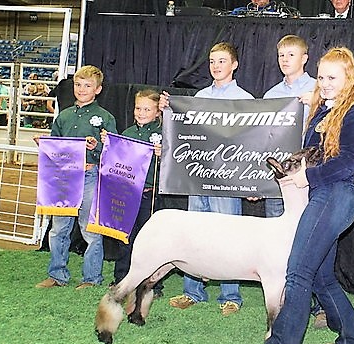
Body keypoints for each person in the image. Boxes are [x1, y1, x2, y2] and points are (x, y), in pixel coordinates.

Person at [233, 46, 354, 344]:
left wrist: (307, 177)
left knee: (297, 273)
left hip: (336, 197)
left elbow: (352, 162)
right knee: (321, 279)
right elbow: (315, 154)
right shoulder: (323, 112)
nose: (324, 83)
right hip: (323, 197)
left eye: (332, 77)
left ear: (349, 78)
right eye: (321, 77)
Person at [165, 41, 254, 316]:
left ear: (234, 64)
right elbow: (184, 132)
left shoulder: (246, 100)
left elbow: (252, 143)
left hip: (227, 180)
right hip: (199, 176)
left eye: (222, 61)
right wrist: (170, 109)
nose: (216, 66)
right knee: (196, 235)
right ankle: (193, 291)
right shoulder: (199, 97)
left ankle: (231, 296)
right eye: (213, 61)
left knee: (228, 236)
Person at [35, 65, 117, 289]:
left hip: (90, 174)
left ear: (98, 90)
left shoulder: (105, 118)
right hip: (64, 178)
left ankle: (91, 278)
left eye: (88, 85)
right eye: (78, 84)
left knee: (89, 229)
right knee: (59, 228)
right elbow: (55, 146)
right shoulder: (64, 116)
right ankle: (57, 274)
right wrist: (45, 145)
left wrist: (97, 146)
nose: (82, 89)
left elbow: (114, 152)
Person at [107, 89, 164, 295]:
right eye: (138, 108)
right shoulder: (127, 134)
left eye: (147, 109)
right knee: (126, 238)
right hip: (129, 193)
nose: (141, 112)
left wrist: (162, 153)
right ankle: (121, 278)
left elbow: (174, 160)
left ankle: (152, 283)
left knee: (150, 240)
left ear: (158, 112)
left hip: (150, 194)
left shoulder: (164, 134)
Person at [262, 35, 316, 216]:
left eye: (291, 55)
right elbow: (262, 136)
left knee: (306, 230)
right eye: (281, 55)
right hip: (279, 173)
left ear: (304, 58)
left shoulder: (318, 89)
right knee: (274, 232)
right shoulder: (271, 95)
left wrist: (319, 102)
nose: (285, 60)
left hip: (307, 172)